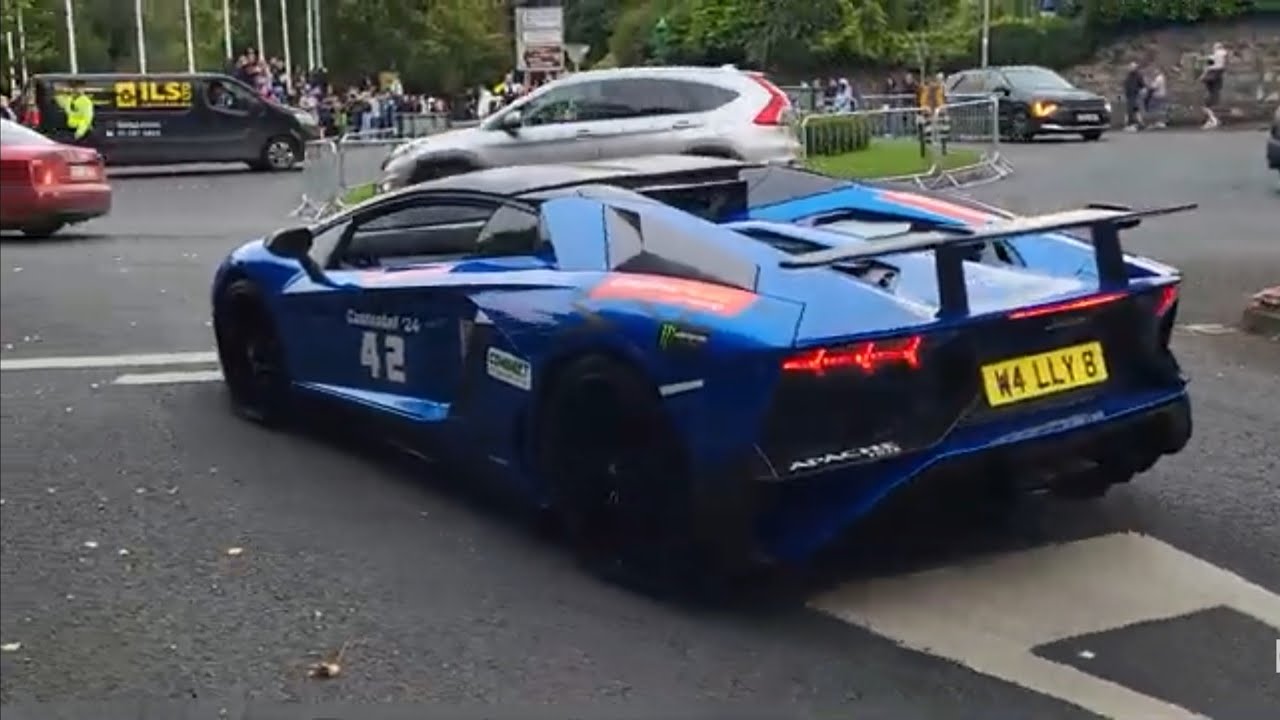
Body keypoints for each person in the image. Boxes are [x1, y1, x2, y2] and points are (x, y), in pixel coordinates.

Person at [54, 79, 95, 144]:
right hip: (70, 129)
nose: (76, 90)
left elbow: (87, 119)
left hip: (82, 132)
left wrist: (79, 133)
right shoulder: (69, 99)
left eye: (79, 88)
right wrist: (57, 90)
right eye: (74, 87)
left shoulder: (86, 102)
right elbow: (60, 102)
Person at [1199, 42, 1228, 129]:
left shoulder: (1214, 56)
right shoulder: (1223, 55)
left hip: (1213, 74)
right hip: (1218, 75)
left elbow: (1208, 66)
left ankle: (1214, 121)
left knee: (1206, 105)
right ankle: (1213, 120)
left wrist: (1203, 75)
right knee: (1211, 100)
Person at [1122, 61, 1145, 131]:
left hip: (1134, 95)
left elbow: (1142, 85)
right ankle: (1140, 123)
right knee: (1134, 110)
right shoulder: (1129, 75)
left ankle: (1129, 124)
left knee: (1131, 110)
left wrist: (1138, 90)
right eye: (1130, 67)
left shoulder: (1138, 75)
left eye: (1133, 67)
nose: (1131, 68)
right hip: (1129, 95)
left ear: (1135, 68)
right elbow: (1126, 84)